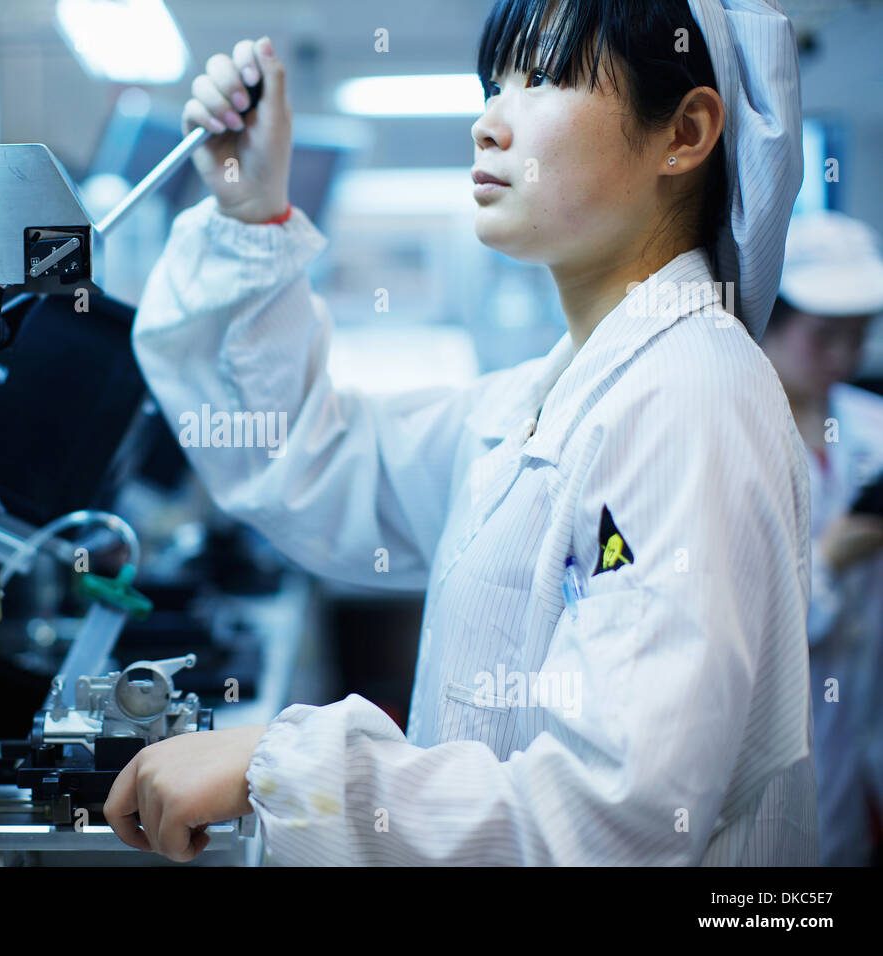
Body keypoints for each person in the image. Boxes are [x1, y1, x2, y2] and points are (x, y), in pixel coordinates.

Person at [104, 0, 817, 865]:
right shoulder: (545, 400)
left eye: (545, 78)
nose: (487, 123)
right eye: (494, 85)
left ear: (686, 131)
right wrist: (251, 209)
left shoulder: (690, 400)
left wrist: (279, 764)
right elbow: (311, 460)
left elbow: (611, 818)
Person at [762, 211, 883, 866]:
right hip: (778, 757)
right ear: (771, 319)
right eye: (826, 335)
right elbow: (747, 625)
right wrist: (834, 556)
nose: (846, 355)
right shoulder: (735, 436)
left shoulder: (873, 428)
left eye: (861, 335)